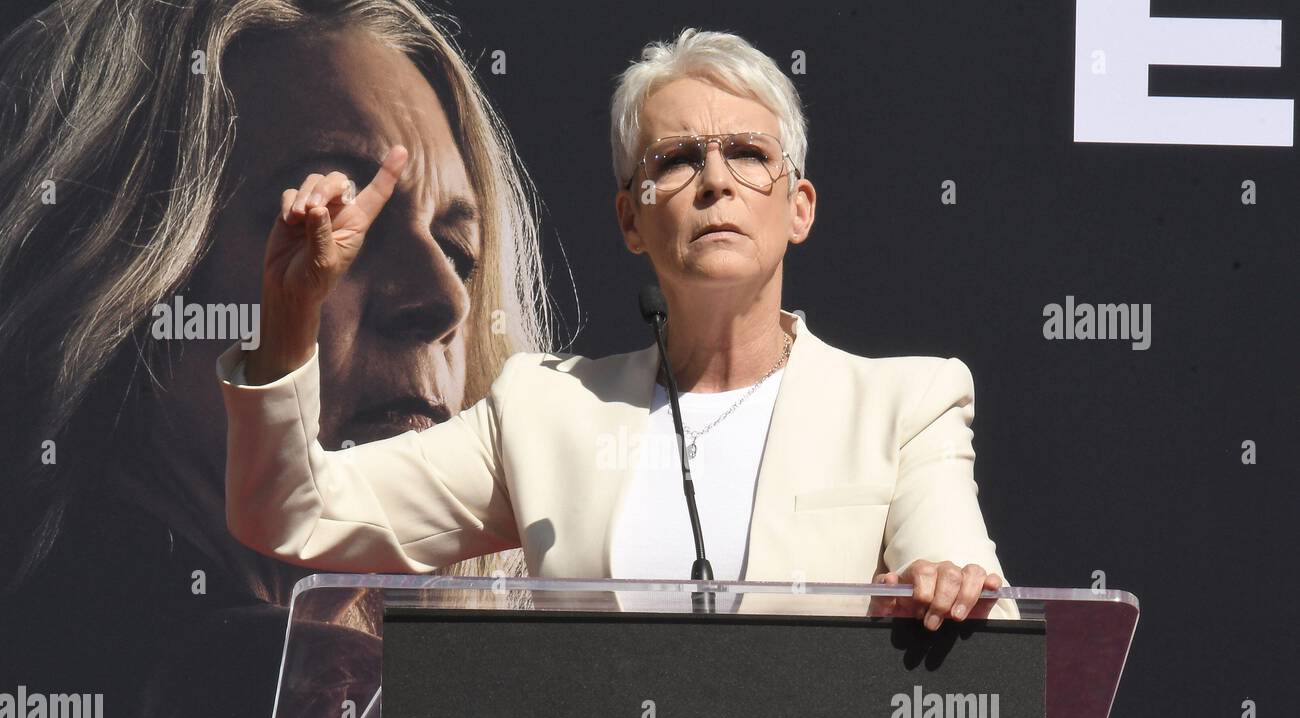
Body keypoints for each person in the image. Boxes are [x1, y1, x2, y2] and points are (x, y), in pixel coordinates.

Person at [0, 0, 555, 718]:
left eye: (458, 247)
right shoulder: (309, 709)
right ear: (132, 280)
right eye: (335, 221)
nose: (445, 300)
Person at [220, 27, 1016, 629]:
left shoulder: (906, 403)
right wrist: (293, 313)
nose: (713, 182)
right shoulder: (542, 412)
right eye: (675, 160)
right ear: (630, 220)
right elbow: (292, 514)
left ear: (798, 207)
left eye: (746, 154)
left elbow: (977, 618)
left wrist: (950, 597)